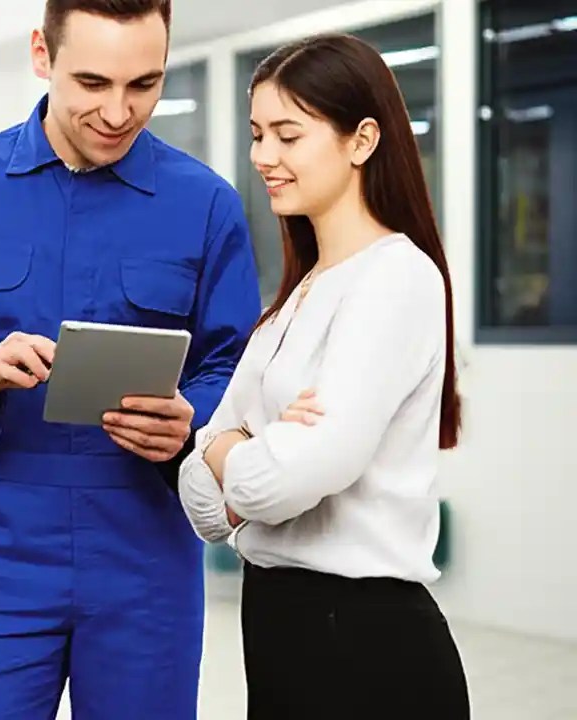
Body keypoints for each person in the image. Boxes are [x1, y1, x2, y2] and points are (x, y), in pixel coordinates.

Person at [0, 1, 261, 716]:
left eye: (144, 84)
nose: (118, 112)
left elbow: (235, 366)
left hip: (147, 551)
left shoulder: (204, 205)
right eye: (93, 83)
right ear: (41, 56)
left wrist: (192, 417)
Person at [177, 32, 471, 719]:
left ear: (362, 140)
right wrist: (243, 449)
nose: (263, 156)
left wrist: (225, 445)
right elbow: (205, 509)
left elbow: (276, 484)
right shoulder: (293, 300)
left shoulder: (395, 278)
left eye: (288, 135)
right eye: (258, 134)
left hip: (364, 642)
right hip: (283, 630)